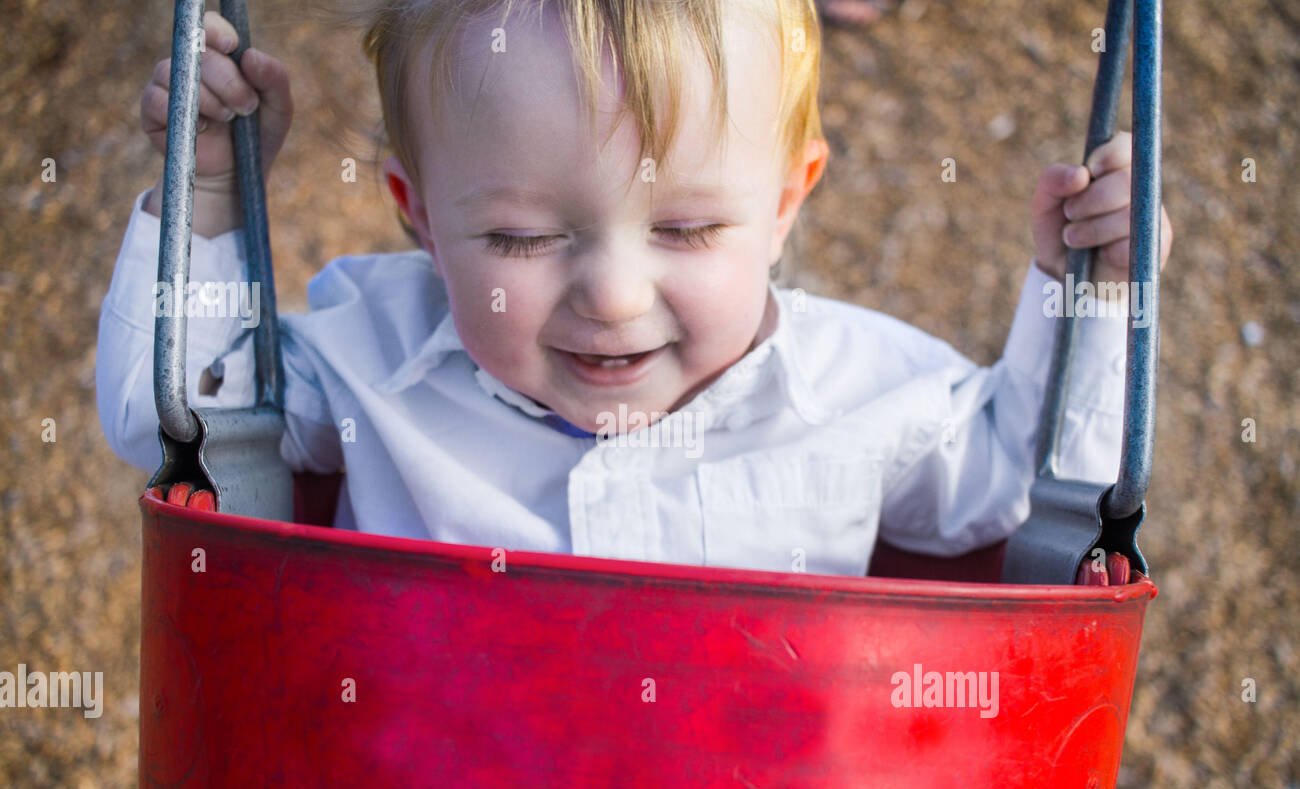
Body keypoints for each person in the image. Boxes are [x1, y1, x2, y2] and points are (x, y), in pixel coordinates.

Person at [98, 0, 1171, 576]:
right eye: (520, 238)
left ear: (787, 202)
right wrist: (206, 202)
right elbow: (179, 423)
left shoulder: (854, 393)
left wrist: (1098, 293)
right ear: (414, 211)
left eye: (688, 226)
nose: (612, 294)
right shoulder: (370, 357)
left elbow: (1018, 491)